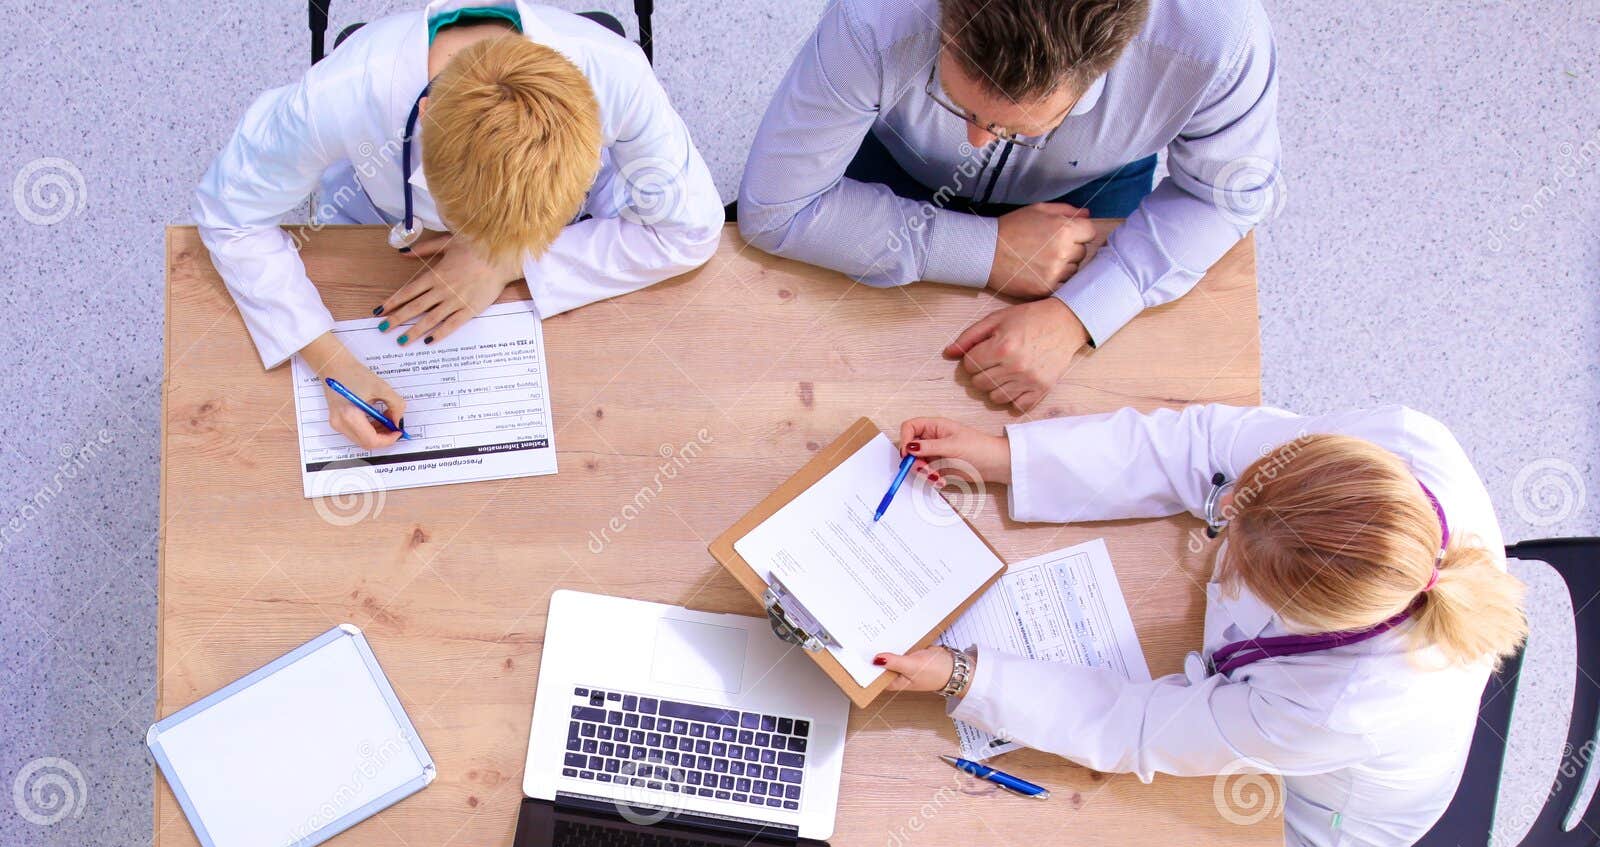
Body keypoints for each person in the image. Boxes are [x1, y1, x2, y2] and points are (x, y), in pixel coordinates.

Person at [873, 406, 1527, 847]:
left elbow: (1134, 726)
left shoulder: (1340, 703)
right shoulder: (1396, 448)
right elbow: (1204, 442)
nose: (1218, 542)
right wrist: (1010, 458)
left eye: (1240, 565)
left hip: (1320, 808)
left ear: (1309, 618)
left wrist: (962, 675)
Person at [194, 3, 723, 449]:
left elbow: (691, 230)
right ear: (426, 116)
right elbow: (228, 212)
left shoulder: (617, 75)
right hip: (378, 225)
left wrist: (506, 261)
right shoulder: (340, 94)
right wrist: (333, 365)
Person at [737, 0, 1280, 413]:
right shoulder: (875, 17)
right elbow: (780, 208)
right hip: (894, 163)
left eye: (1007, 126)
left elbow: (1224, 198)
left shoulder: (1222, 39)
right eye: (954, 103)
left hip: (1088, 193)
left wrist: (1079, 315)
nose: (976, 142)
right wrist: (988, 248)